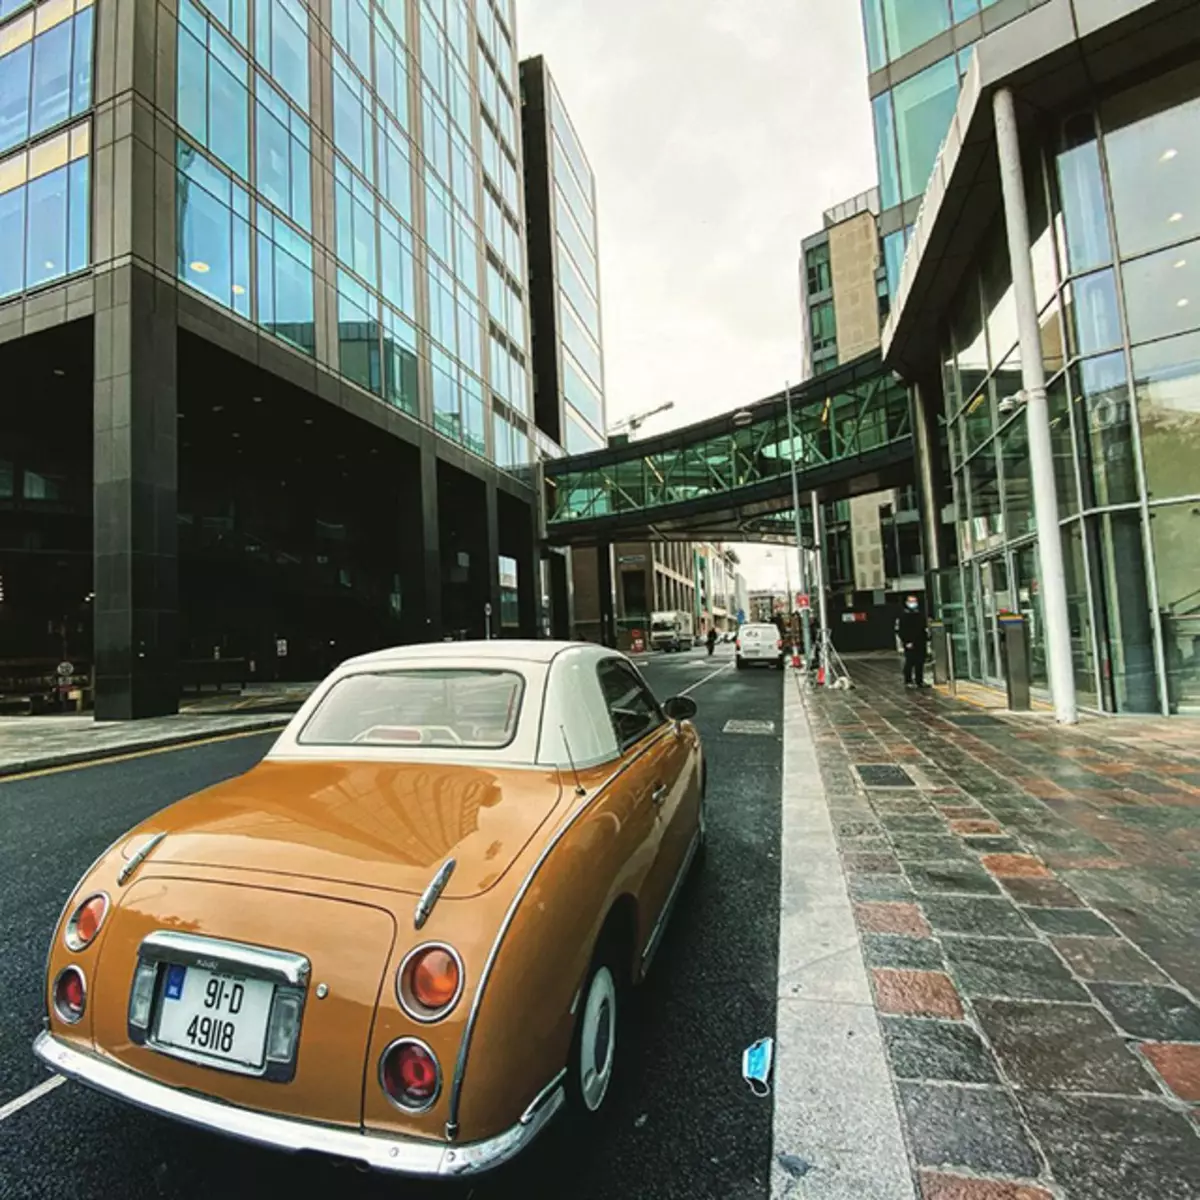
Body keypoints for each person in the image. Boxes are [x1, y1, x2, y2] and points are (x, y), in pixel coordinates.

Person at [896, 595, 928, 688]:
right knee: (910, 661)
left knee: (920, 662)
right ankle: (908, 681)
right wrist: (906, 642)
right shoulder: (903, 616)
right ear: (906, 603)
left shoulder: (920, 614)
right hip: (909, 642)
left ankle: (919, 681)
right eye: (911, 601)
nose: (913, 603)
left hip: (920, 642)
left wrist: (926, 638)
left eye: (914, 601)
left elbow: (923, 628)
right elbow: (901, 631)